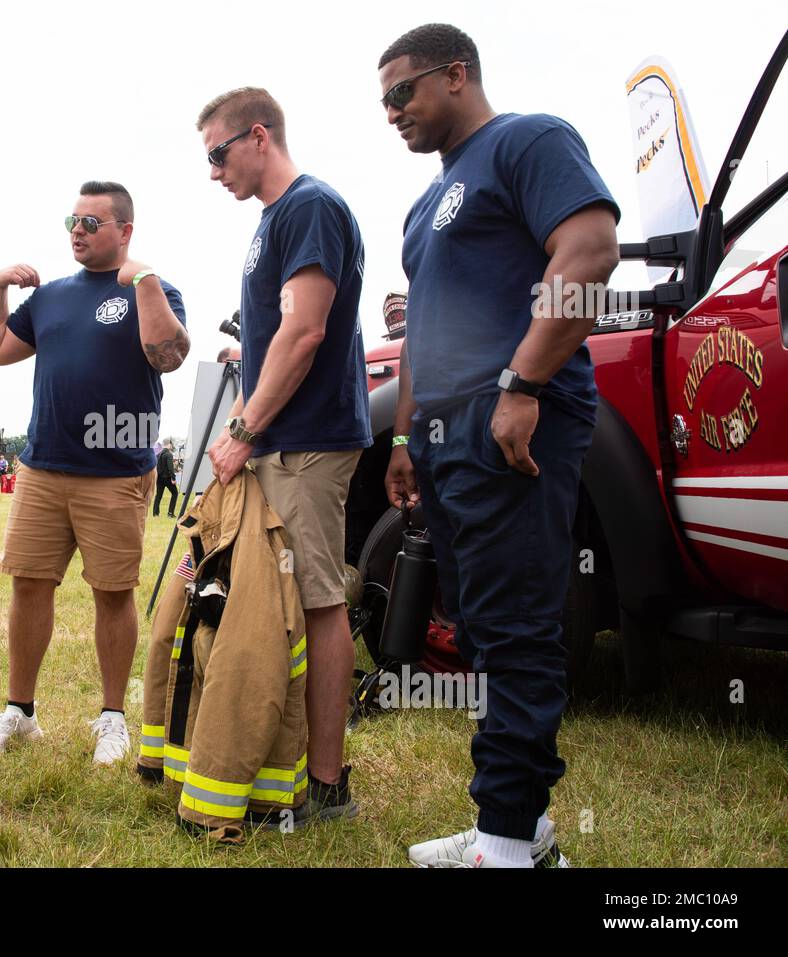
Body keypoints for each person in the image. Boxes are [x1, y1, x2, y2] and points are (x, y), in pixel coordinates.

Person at [378, 23, 619, 867]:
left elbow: (587, 252)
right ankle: (517, 823)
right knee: (479, 629)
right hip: (443, 440)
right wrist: (406, 434)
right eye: (383, 102)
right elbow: (421, 330)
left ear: (457, 73)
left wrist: (523, 384)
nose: (392, 112)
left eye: (402, 92)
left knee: (517, 627)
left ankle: (507, 840)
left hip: (510, 421)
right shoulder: (426, 203)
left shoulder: (528, 139)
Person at [197, 86, 371, 824]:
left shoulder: (308, 206)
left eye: (218, 153)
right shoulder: (275, 219)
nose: (212, 172)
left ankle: (328, 787)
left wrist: (241, 431)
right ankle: (287, 766)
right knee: (276, 605)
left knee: (319, 602)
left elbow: (306, 332)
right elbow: (280, 335)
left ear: (258, 135)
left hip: (306, 444)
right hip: (279, 439)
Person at [0, 180, 189, 764]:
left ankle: (113, 719)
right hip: (44, 467)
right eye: (71, 221)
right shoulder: (51, 298)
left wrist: (143, 283)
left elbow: (166, 355)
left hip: (116, 473)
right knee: (29, 583)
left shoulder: (155, 287)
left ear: (125, 231)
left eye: (92, 222)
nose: (77, 230)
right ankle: (19, 711)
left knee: (112, 592)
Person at [152, 439, 178, 518]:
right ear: (169, 444)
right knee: (175, 493)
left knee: (158, 495)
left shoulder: (158, 454)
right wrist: (173, 478)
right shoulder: (169, 454)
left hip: (159, 478)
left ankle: (155, 513)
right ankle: (170, 513)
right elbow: (171, 468)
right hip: (167, 478)